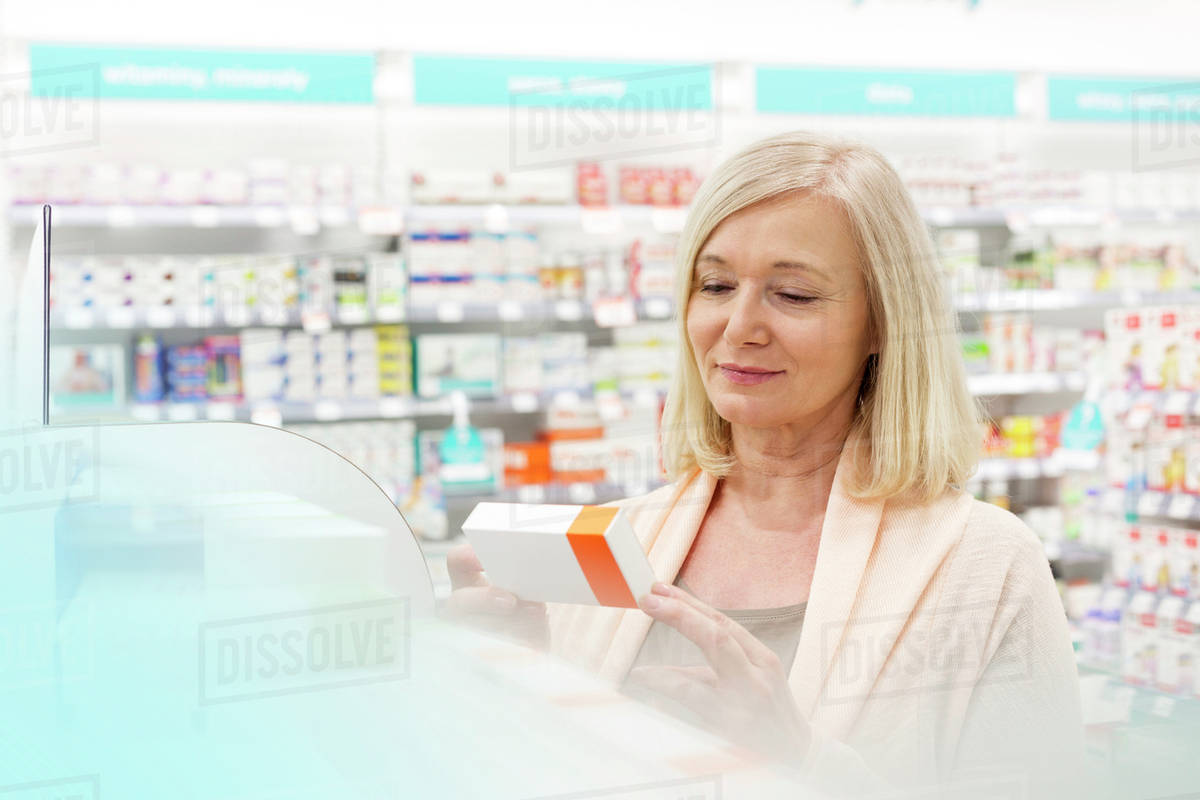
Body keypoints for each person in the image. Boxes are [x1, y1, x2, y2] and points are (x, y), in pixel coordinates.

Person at [446, 131, 1083, 798]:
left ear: (882, 324)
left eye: (794, 295)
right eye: (716, 284)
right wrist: (517, 683)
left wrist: (798, 764)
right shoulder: (612, 541)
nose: (739, 325)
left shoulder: (983, 567)